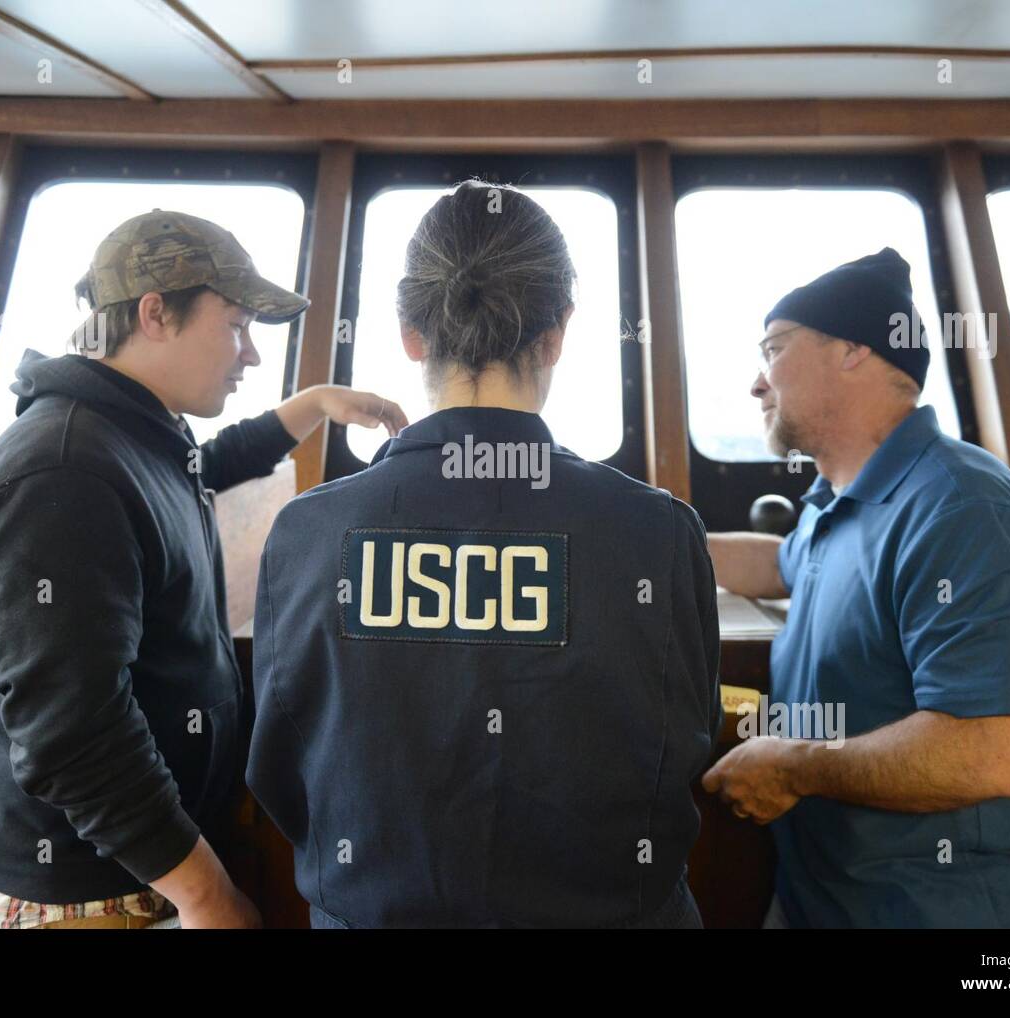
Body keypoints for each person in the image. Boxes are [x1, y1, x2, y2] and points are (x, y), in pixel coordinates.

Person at [246, 181, 720, 928]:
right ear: (557, 332)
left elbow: (277, 766)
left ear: (410, 332)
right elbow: (687, 742)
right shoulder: (658, 531)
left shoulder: (308, 533)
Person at [0, 210, 406, 929]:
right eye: (237, 325)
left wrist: (313, 406)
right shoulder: (62, 470)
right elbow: (71, 734)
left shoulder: (132, 431)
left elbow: (203, 469)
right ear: (156, 313)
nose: (250, 354)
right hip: (77, 892)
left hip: (134, 863)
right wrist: (207, 894)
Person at [703, 248, 1010, 928]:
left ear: (853, 352)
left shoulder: (961, 507)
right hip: (819, 896)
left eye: (773, 349)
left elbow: (993, 752)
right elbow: (787, 565)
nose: (756, 382)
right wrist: (651, 542)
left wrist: (794, 767)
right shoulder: (843, 502)